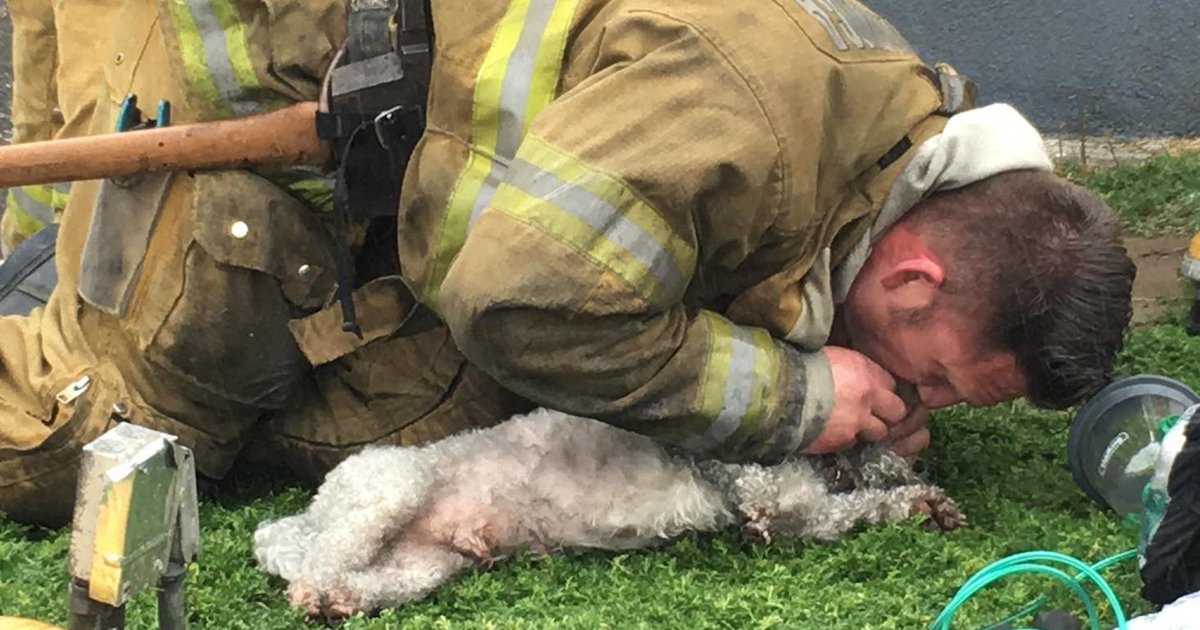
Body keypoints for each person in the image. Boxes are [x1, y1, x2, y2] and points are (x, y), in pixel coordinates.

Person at [0, 0, 1135, 528]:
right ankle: (74, 298)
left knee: (426, 414)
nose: (917, 406)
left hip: (369, 142)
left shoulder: (896, 119)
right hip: (225, 64)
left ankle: (60, 268)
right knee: (120, 455)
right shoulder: (754, 114)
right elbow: (519, 296)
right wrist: (794, 396)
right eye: (931, 380)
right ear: (916, 278)